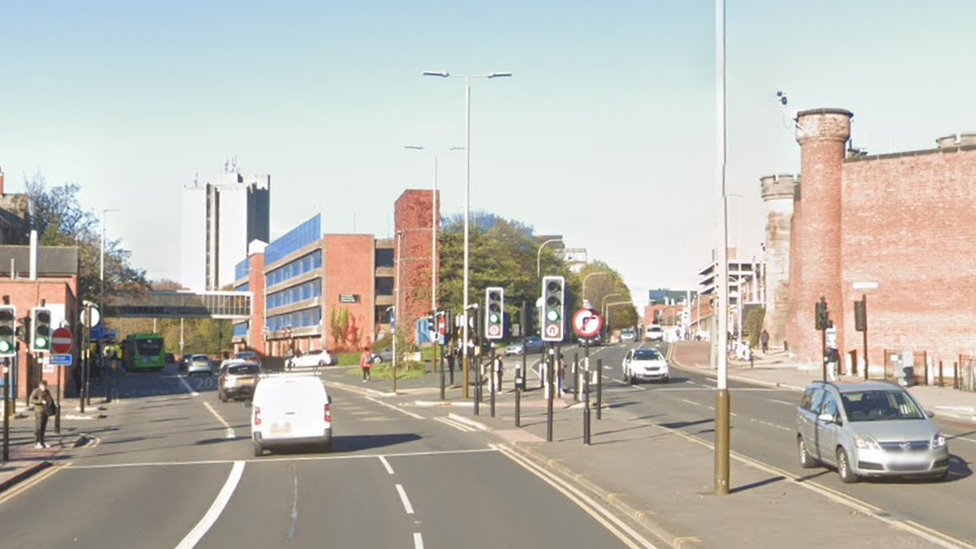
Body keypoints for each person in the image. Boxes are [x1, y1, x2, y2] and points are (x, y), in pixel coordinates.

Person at [29, 380, 56, 449]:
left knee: (43, 427)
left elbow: (50, 399)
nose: (44, 388)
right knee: (39, 426)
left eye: (45, 386)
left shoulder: (47, 391)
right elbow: (31, 399)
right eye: (43, 386)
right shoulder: (36, 391)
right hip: (39, 411)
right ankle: (37, 442)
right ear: (40, 386)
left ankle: (42, 442)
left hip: (46, 411)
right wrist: (40, 401)